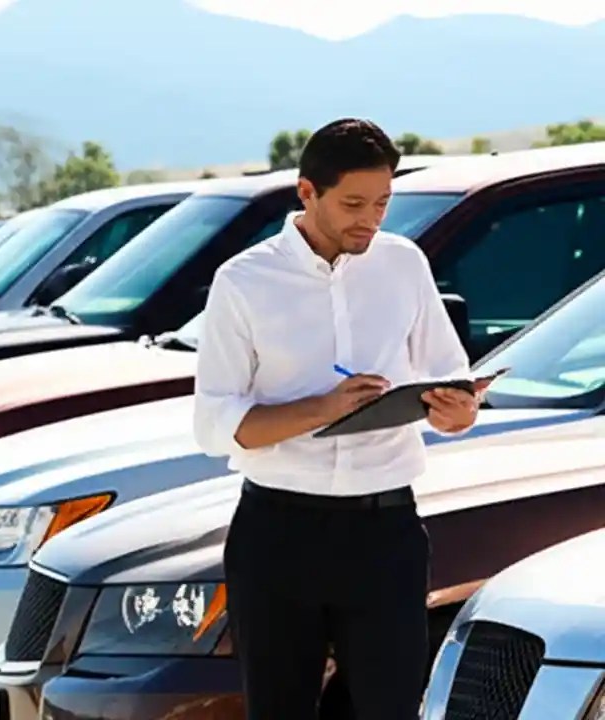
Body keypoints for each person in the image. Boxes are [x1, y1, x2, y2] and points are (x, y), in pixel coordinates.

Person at [192, 118, 491, 719]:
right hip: (277, 535)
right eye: (354, 203)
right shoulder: (244, 281)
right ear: (307, 193)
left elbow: (449, 389)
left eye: (382, 202)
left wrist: (461, 410)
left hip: (386, 535)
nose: (371, 219)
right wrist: (324, 409)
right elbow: (214, 424)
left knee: (391, 710)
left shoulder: (403, 265)